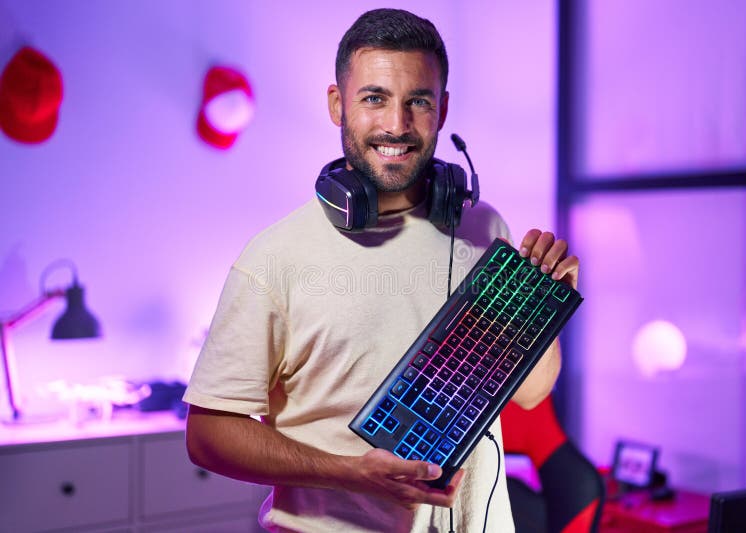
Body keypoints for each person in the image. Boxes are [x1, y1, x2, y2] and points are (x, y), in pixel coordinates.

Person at [183, 8, 579, 533]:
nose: (397, 124)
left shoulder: (484, 228)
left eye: (418, 101)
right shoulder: (275, 257)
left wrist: (540, 307)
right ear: (336, 104)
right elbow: (208, 435)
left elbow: (529, 393)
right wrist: (353, 474)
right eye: (374, 98)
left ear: (441, 110)